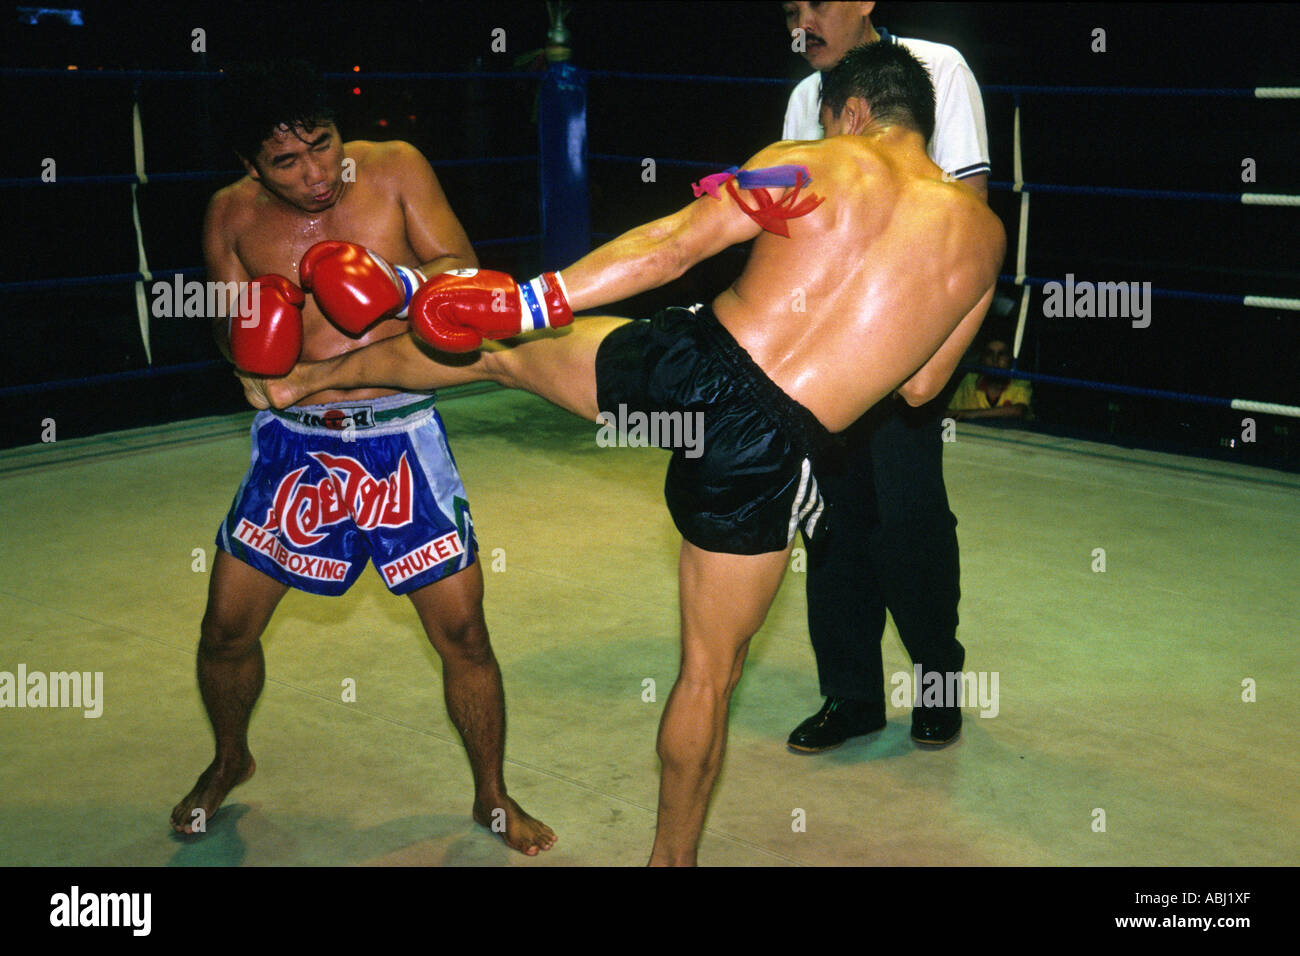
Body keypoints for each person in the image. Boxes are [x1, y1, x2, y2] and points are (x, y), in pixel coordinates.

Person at [246, 42, 1005, 866]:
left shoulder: (808, 163)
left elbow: (674, 246)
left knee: (497, 352)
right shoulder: (983, 237)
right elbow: (925, 386)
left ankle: (306, 380)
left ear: (852, 111)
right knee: (710, 675)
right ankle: (668, 862)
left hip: (693, 363)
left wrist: (537, 298)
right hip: (776, 445)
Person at [173, 60, 555, 856]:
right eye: (287, 161)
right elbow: (226, 332)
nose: (316, 173)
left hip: (401, 433)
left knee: (465, 635)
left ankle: (492, 793)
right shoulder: (230, 216)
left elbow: (464, 275)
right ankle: (230, 757)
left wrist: (389, 279)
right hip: (295, 449)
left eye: (323, 144)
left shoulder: (395, 169)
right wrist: (250, 339)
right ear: (251, 164)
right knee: (224, 633)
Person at [780, 1, 991, 751]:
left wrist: (927, 345)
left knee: (910, 520)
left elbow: (968, 213)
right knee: (831, 523)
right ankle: (852, 697)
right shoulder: (807, 99)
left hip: (908, 338)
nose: (798, 18)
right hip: (828, 348)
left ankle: (937, 680)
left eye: (812, 3)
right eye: (790, 7)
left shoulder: (940, 69)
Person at [947, 336, 1032, 420]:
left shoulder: (1020, 381)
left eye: (1002, 354)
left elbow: (1018, 411)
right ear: (982, 358)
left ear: (1010, 358)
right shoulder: (970, 379)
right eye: (989, 354)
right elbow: (950, 412)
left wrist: (970, 414)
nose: (995, 359)